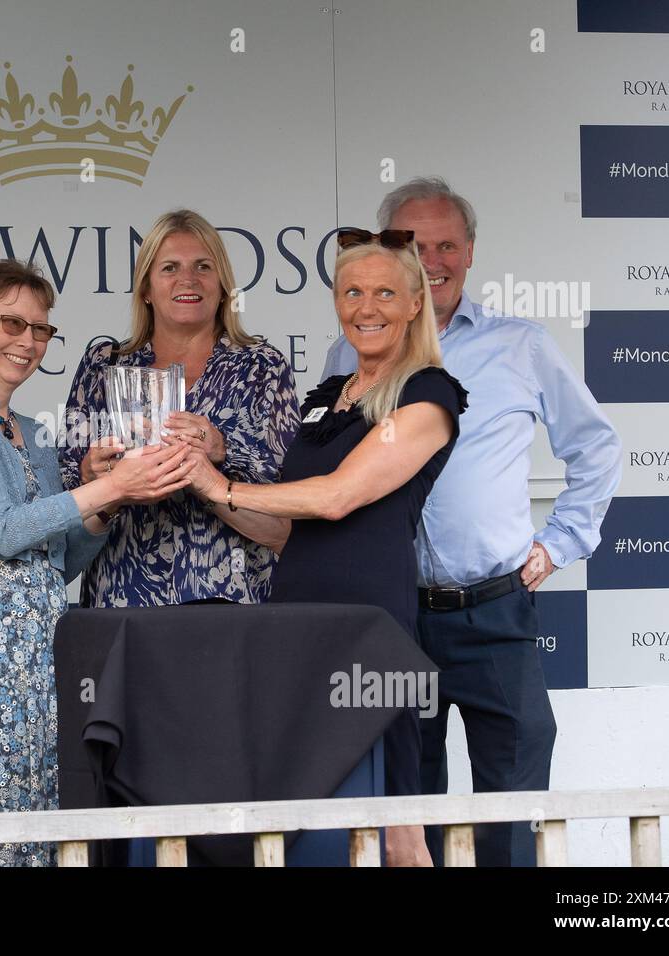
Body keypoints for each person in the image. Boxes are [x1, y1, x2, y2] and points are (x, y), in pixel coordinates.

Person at [321, 177, 622, 866]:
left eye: (447, 244)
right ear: (387, 251)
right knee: (409, 819)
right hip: (394, 616)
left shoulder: (521, 346)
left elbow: (597, 445)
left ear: (472, 251)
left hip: (494, 614)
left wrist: (560, 542)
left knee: (511, 817)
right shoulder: (350, 356)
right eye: (414, 244)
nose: (432, 260)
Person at [184, 228, 467, 867]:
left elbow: (336, 498)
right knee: (311, 817)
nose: (366, 308)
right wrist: (196, 481)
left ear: (415, 303)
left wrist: (222, 482)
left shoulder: (429, 395)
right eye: (352, 292)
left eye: (385, 293)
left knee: (397, 830)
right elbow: (287, 529)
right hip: (295, 628)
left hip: (370, 633)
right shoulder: (324, 400)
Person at [0, 260, 194, 866]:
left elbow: (55, 561)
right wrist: (109, 490)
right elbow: (4, 530)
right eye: (12, 322)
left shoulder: (32, 431)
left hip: (39, 647)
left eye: (41, 329)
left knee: (38, 822)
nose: (28, 341)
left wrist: (104, 495)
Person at [59, 209, 300, 607]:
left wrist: (222, 454)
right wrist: (94, 476)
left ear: (223, 285)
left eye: (203, 266)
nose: (188, 280)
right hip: (123, 595)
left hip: (232, 598)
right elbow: (65, 492)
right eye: (169, 267)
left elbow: (289, 505)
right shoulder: (104, 364)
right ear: (146, 289)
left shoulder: (262, 367)